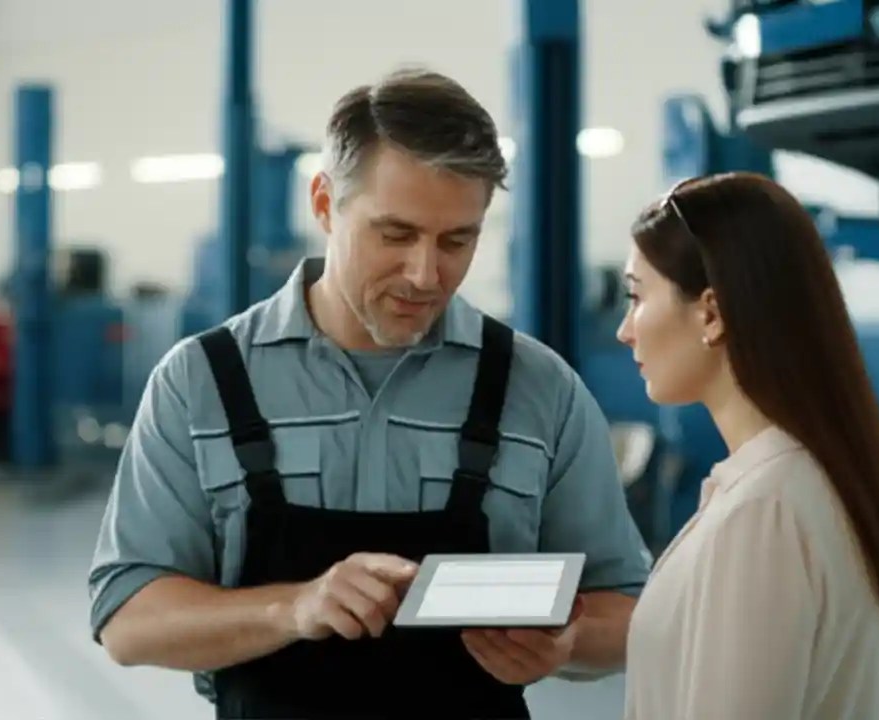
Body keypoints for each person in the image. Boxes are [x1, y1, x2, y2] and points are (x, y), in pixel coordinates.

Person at [88, 67, 652, 719]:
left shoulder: (539, 390)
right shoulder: (202, 383)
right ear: (325, 203)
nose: (424, 273)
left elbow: (629, 609)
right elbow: (128, 620)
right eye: (396, 234)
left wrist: (570, 643)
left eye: (456, 240)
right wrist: (293, 607)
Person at [616, 172, 879, 720]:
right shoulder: (811, 481)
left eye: (636, 297)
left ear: (711, 313)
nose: (625, 330)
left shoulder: (763, 513)